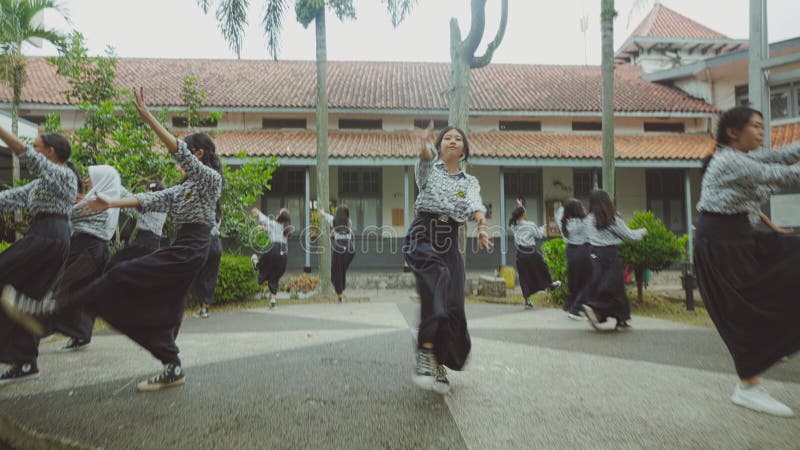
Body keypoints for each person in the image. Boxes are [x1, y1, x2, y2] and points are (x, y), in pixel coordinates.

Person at [2, 87, 224, 392]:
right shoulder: (185, 189)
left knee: (119, 274)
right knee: (146, 304)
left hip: (192, 249)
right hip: (183, 247)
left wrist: (148, 116)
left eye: (186, 154)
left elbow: (178, 152)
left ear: (198, 155)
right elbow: (151, 199)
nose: (177, 161)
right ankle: (172, 366)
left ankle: (45, 314)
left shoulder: (210, 180)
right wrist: (109, 203)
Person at [694, 105, 800, 417]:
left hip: (741, 238)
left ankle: (753, 379)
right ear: (733, 132)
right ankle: (748, 386)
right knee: (746, 312)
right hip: (720, 245)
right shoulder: (728, 161)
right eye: (755, 126)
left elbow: (779, 157)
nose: (761, 131)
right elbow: (780, 174)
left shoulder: (742, 158)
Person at [405, 121, 493, 395]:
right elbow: (424, 162)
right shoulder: (431, 169)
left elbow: (476, 205)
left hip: (450, 240)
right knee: (437, 283)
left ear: (465, 148)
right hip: (424, 233)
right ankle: (425, 352)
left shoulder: (469, 182)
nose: (453, 141)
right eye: (447, 138)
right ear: (440, 146)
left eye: (458, 139)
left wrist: (481, 227)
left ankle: (438, 362)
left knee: (453, 306)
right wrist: (423, 146)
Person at [0, 129, 79, 385]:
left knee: (12, 287)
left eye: (37, 147)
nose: (33, 150)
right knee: (23, 300)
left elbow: (25, 154)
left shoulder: (64, 175)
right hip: (44, 235)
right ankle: (25, 362)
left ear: (50, 151)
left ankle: (43, 314)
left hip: (50, 236)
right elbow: (7, 199)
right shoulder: (39, 185)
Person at [52, 165, 123, 352]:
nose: (85, 180)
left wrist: (69, 203)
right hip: (92, 248)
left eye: (90, 177)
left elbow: (71, 213)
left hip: (88, 249)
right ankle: (80, 334)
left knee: (62, 285)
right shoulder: (103, 198)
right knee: (82, 290)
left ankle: (57, 327)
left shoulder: (98, 202)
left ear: (101, 180)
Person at [579, 189, 647, 332]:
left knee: (604, 288)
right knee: (616, 290)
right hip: (609, 256)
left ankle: (603, 315)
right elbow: (629, 236)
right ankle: (599, 310)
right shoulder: (611, 220)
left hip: (594, 256)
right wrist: (642, 232)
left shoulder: (587, 220)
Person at [508, 198, 560, 309]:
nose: (526, 212)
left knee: (524, 276)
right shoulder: (530, 225)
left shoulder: (513, 226)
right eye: (525, 211)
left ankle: (527, 300)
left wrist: (520, 206)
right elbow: (539, 235)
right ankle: (550, 285)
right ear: (523, 215)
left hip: (521, 254)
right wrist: (541, 229)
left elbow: (517, 220)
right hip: (531, 253)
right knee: (542, 267)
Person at [105, 181, 168, 269]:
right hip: (150, 242)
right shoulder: (158, 206)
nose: (147, 192)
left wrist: (112, 182)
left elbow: (128, 197)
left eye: (149, 190)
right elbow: (132, 209)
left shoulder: (154, 202)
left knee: (115, 263)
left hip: (145, 243)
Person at [555, 198, 592, 320]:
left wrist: (568, 207)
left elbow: (560, 211)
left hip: (570, 251)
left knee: (574, 280)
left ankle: (570, 305)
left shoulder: (563, 221)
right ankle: (576, 309)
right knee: (587, 281)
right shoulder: (584, 222)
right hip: (583, 251)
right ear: (578, 210)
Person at [250, 207, 291, 308]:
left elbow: (266, 221)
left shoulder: (275, 224)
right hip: (284, 253)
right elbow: (272, 228)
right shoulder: (287, 228)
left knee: (264, 262)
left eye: (278, 213)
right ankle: (273, 301)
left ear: (280, 217)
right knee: (274, 276)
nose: (276, 214)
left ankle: (257, 265)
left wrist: (259, 212)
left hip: (274, 249)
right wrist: (264, 228)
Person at [318, 206, 355, 304]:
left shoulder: (334, 221)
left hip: (339, 249)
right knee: (341, 271)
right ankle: (340, 293)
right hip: (350, 249)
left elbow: (325, 215)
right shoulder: (349, 222)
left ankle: (340, 295)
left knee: (336, 272)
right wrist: (333, 234)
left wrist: (321, 211)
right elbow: (343, 232)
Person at [191, 217, 222, 318]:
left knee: (198, 274)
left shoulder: (206, 211)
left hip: (205, 242)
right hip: (216, 244)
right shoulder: (218, 213)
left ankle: (201, 307)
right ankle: (205, 307)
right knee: (210, 276)